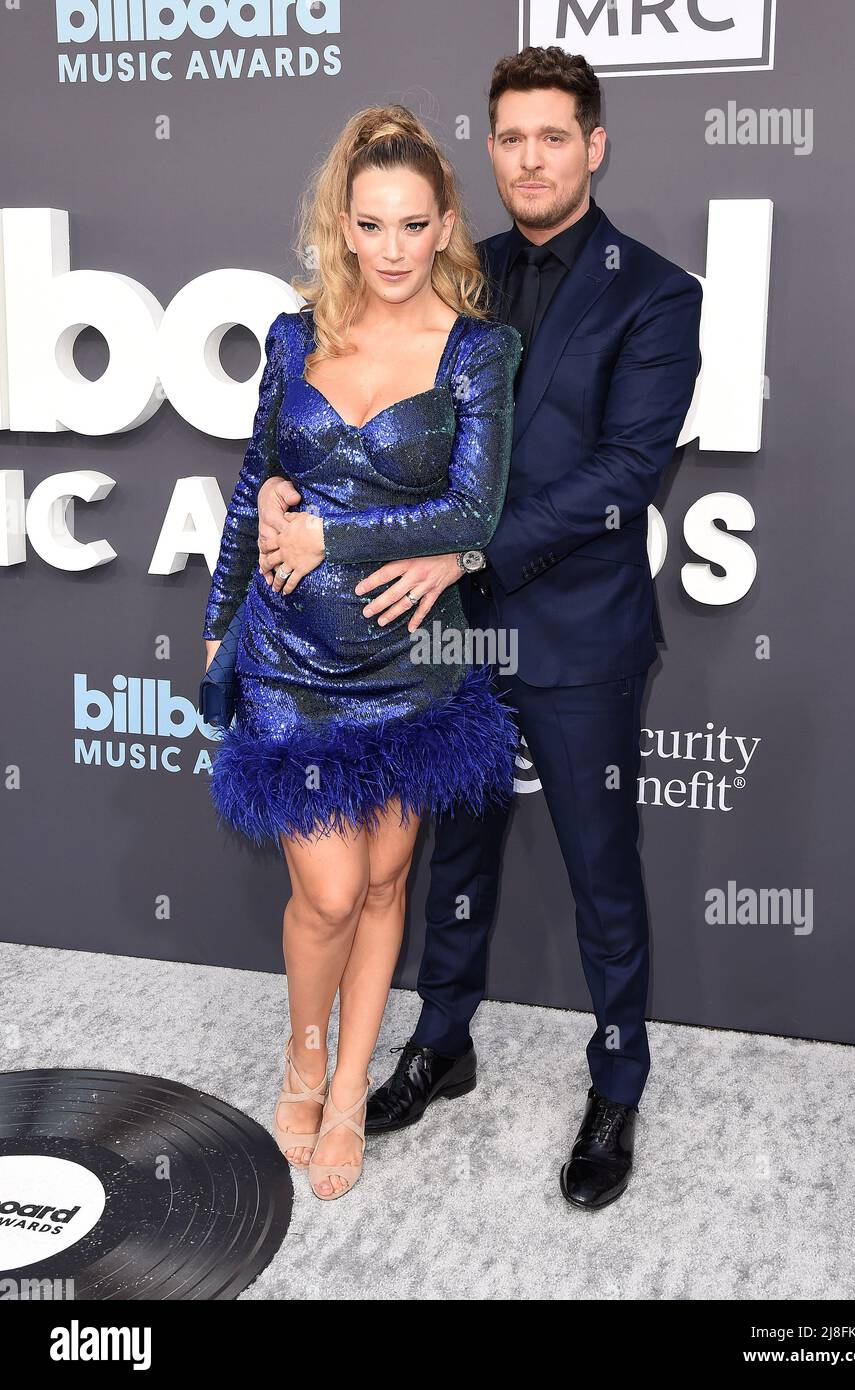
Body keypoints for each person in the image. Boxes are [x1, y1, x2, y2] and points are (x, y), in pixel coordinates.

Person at [258, 47, 703, 1210]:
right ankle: (441, 1041)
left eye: (554, 136)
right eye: (511, 138)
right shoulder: (454, 275)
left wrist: (463, 547)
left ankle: (616, 1079)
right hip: (435, 635)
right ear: (488, 152)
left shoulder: (657, 293)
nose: (532, 158)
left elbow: (624, 470)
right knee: (441, 855)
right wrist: (286, 490)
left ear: (593, 146)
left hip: (571, 632)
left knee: (600, 863)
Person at [201, 105, 522, 1200]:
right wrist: (219, 613)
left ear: (444, 228)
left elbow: (473, 507)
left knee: (386, 880)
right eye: (371, 223)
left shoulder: (480, 350)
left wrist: (331, 532)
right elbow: (255, 484)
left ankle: (346, 1092)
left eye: (412, 224)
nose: (390, 248)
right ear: (342, 223)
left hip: (414, 660)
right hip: (290, 653)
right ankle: (302, 1056)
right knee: (329, 892)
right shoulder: (295, 335)